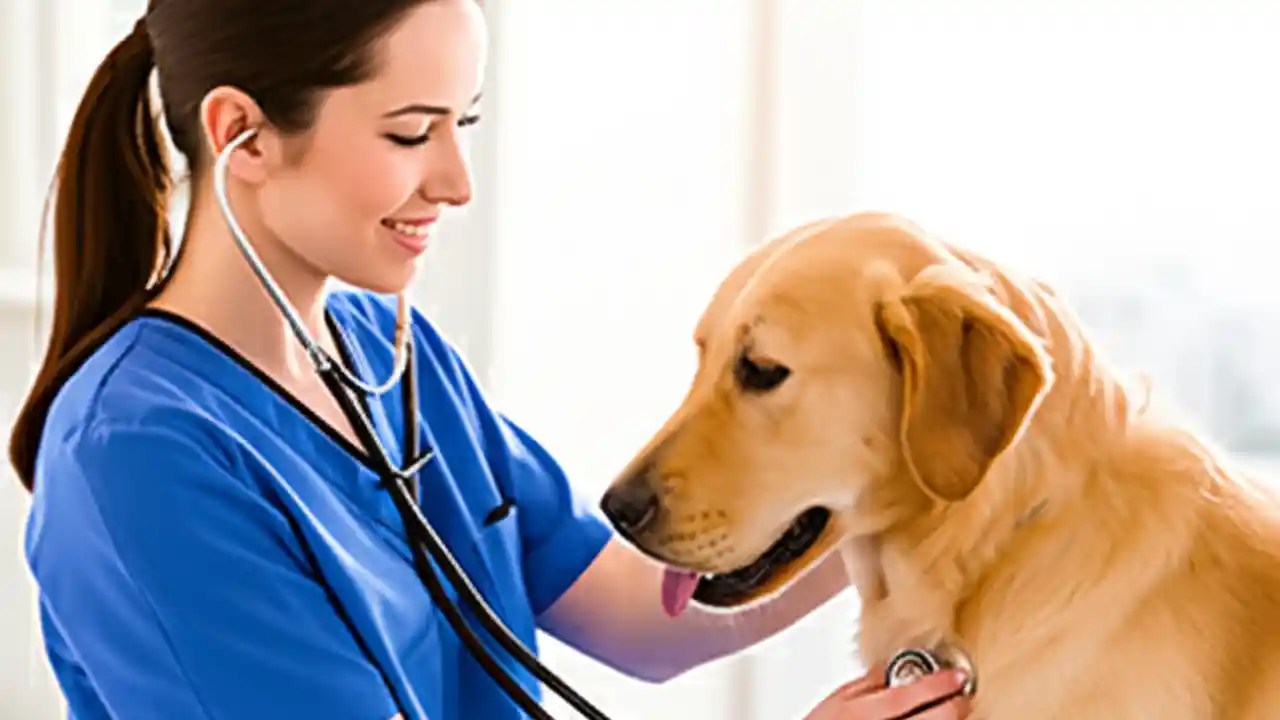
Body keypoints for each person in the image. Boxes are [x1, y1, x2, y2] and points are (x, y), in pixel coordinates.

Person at [9, 1, 972, 718]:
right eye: (409, 131)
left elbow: (645, 612)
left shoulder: (395, 360)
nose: (456, 182)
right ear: (241, 135)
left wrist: (917, 470)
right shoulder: (137, 456)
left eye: (461, 126)